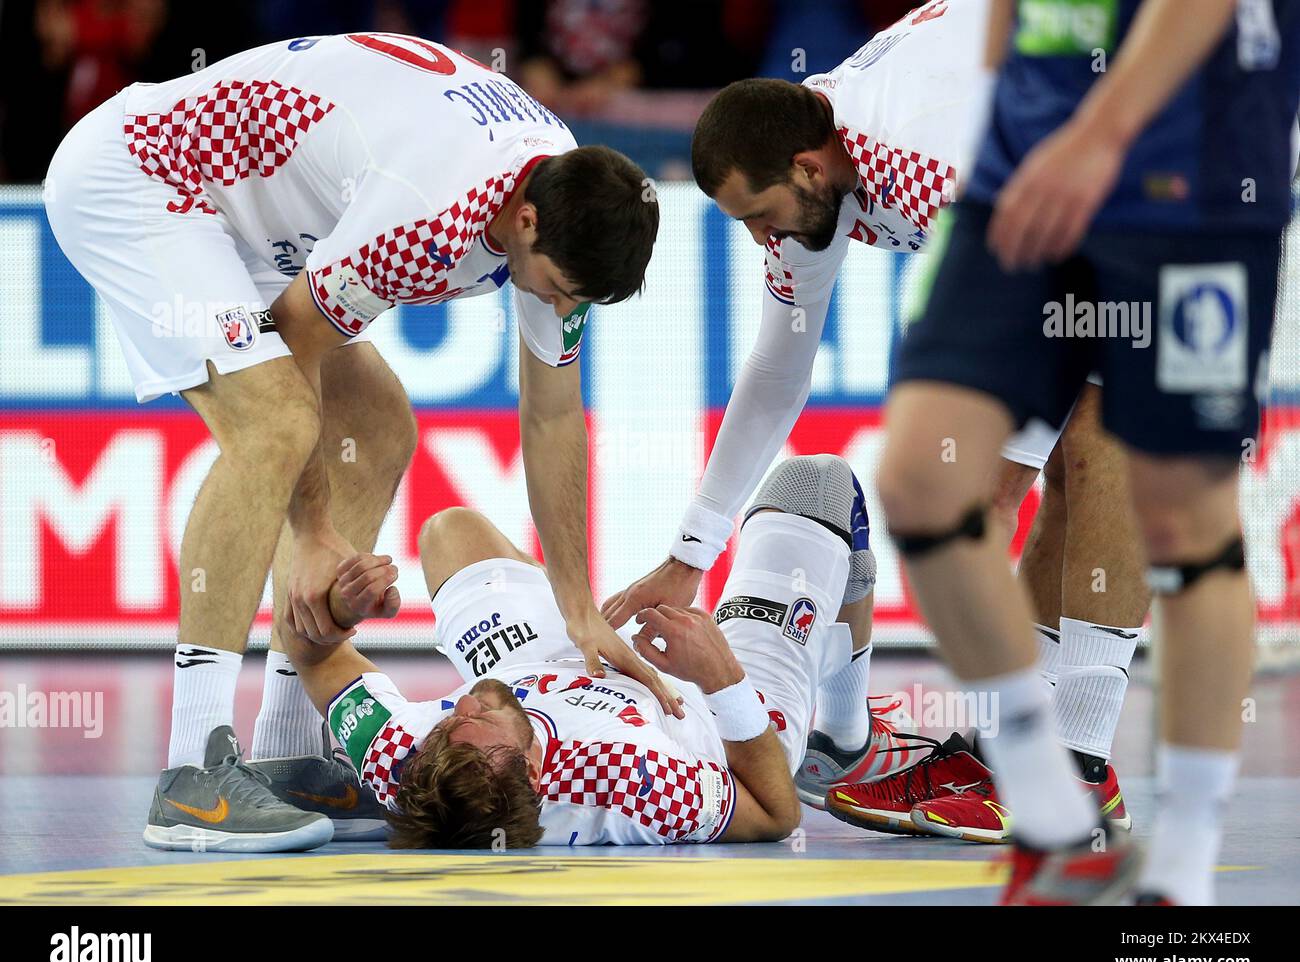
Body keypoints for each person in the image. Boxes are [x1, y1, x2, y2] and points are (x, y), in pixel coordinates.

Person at [44, 31, 668, 852]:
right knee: (273, 422)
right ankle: (191, 771)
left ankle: (291, 751)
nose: (555, 302)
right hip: (145, 178)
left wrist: (580, 611)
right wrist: (313, 535)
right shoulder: (430, 214)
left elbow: (552, 412)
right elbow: (295, 354)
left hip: (249, 217)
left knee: (376, 427)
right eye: (552, 285)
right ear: (524, 221)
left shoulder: (567, 199)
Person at [602, 0, 1145, 825]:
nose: (759, 240)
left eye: (759, 216)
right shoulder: (815, 175)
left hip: (1150, 147)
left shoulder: (927, 161)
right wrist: (690, 553)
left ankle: (1073, 770)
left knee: (1106, 438)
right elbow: (777, 374)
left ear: (809, 169)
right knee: (1032, 470)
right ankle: (1023, 758)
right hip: (1064, 164)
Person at [875, 0, 1300, 904]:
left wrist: (1102, 133)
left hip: (1193, 166)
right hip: (1026, 158)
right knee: (922, 480)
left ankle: (1181, 880)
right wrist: (996, 118)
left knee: (1183, 517)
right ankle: (1054, 820)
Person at [286, 455, 915, 846]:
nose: (459, 711)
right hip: (709, 711)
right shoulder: (633, 784)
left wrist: (338, 612)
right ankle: (842, 735)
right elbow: (777, 816)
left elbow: (312, 656)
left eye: (446, 729)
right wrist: (722, 678)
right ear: (536, 773)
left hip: (538, 671)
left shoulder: (406, 758)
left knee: (451, 532)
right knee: (818, 487)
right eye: (474, 730)